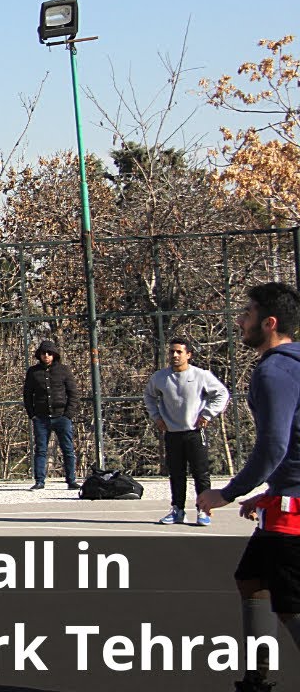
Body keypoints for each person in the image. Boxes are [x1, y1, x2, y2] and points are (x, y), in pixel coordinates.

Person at [196, 283, 300, 692]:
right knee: (252, 578)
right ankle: (259, 677)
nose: (240, 319)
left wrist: (230, 491)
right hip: (286, 496)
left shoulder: (273, 370)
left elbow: (274, 444)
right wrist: (270, 491)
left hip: (293, 512)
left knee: (291, 603)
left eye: (248, 313)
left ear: (269, 323)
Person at [144, 338, 229, 526]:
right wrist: (157, 417)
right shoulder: (159, 377)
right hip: (173, 433)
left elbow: (222, 394)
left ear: (188, 355)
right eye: (172, 352)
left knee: (201, 473)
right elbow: (148, 396)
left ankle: (204, 510)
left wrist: (207, 414)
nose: (174, 355)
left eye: (179, 352)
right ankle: (178, 510)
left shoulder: (201, 375)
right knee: (176, 473)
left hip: (195, 432)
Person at [22, 339, 80, 491]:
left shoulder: (64, 370)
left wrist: (68, 414)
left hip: (62, 416)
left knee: (67, 449)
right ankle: (40, 480)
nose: (46, 356)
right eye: (43, 353)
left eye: (49, 353)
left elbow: (73, 393)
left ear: (54, 355)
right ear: (39, 355)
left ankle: (71, 480)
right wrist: (32, 415)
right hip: (41, 418)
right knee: (41, 450)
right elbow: (27, 395)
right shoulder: (33, 372)